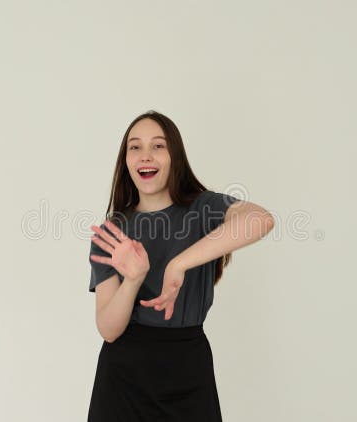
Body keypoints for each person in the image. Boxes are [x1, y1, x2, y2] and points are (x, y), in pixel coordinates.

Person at [86, 110, 274, 421]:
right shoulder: (113, 232)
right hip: (122, 382)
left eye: (158, 146)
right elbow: (108, 329)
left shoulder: (203, 208)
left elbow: (261, 219)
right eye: (135, 147)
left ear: (175, 156)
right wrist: (133, 280)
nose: (146, 155)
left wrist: (179, 264)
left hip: (188, 370)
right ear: (126, 160)